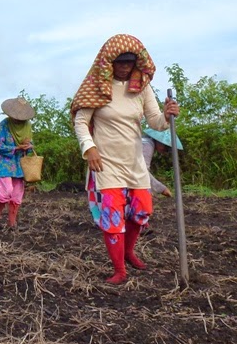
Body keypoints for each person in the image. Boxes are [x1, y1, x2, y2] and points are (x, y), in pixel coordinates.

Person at [71, 34, 179, 285]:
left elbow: (156, 122)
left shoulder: (141, 87)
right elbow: (81, 122)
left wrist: (167, 115)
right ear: (109, 63)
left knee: (142, 210)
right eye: (119, 62)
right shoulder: (98, 86)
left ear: (136, 63)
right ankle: (119, 269)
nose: (123, 67)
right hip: (106, 163)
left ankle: (129, 252)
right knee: (112, 217)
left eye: (128, 62)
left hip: (134, 162)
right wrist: (90, 148)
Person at [0, 97, 36, 229]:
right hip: (5, 162)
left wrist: (29, 146)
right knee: (6, 191)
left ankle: (12, 223)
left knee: (17, 194)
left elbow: (30, 144)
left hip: (19, 163)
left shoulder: (27, 127)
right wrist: (16, 148)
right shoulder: (3, 126)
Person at [142, 128, 183, 197]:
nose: (166, 150)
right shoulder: (147, 145)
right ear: (159, 140)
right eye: (166, 146)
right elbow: (142, 171)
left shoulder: (144, 141)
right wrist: (161, 189)